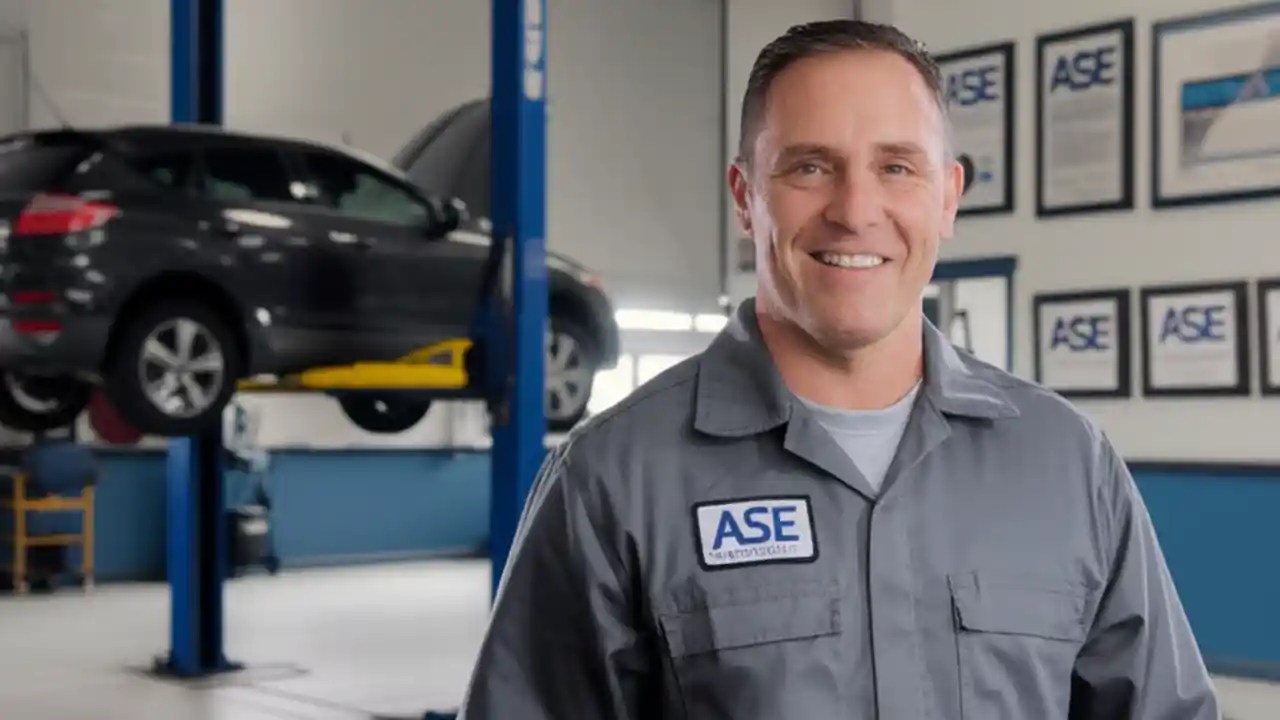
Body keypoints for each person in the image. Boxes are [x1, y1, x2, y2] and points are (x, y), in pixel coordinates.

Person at [457, 19, 1221, 719]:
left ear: (947, 198)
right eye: (811, 167)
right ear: (745, 198)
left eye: (896, 167)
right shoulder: (615, 478)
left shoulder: (1068, 464)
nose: (856, 210)